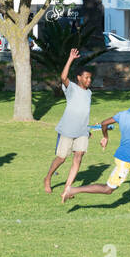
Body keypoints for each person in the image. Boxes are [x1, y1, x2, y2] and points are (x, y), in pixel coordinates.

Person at [44, 48, 93, 194]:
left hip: (82, 131)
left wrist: (87, 129)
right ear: (78, 78)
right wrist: (71, 58)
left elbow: (84, 112)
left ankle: (68, 188)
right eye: (86, 77)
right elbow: (63, 77)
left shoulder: (89, 93)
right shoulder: (71, 88)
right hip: (67, 130)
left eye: (90, 78)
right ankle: (47, 178)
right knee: (61, 158)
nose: (88, 80)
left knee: (78, 157)